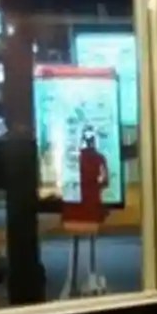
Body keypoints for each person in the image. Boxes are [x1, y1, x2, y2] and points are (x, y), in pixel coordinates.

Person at [60, 127, 110, 298]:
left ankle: (71, 280)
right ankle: (92, 278)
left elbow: (64, 182)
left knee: (74, 242)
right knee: (92, 245)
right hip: (91, 209)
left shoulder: (72, 159)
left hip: (72, 211)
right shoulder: (100, 158)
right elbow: (105, 181)